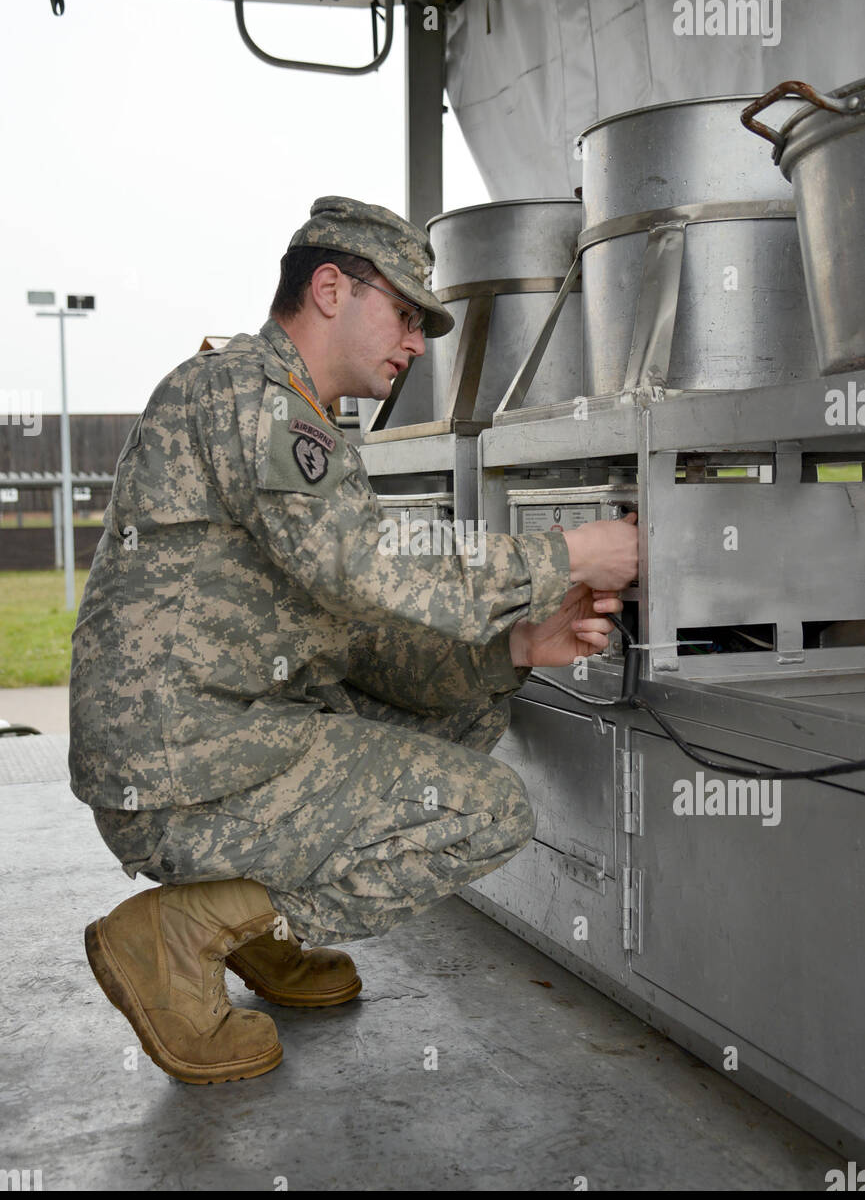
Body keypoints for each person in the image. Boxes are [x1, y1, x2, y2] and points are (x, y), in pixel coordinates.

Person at [70, 196, 638, 1085]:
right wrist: (566, 552)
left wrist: (517, 647)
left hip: (222, 738)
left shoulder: (294, 415)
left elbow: (356, 631)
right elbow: (367, 569)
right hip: (183, 765)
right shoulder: (247, 396)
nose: (417, 342)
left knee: (453, 715)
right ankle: (178, 932)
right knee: (486, 810)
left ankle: (258, 928)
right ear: (330, 288)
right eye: (406, 313)